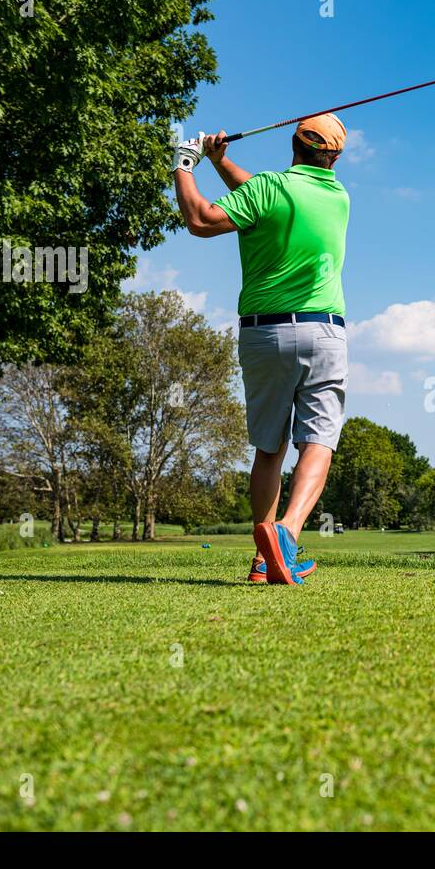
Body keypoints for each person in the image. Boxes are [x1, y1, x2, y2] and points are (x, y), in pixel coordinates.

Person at [170, 115, 350, 584]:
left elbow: (201, 220)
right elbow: (265, 195)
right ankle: (287, 533)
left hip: (263, 334)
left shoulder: (269, 189)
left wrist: (185, 165)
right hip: (325, 333)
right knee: (318, 441)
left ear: (294, 142)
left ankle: (261, 557)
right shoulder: (337, 198)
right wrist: (222, 160)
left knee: (270, 448)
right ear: (334, 157)